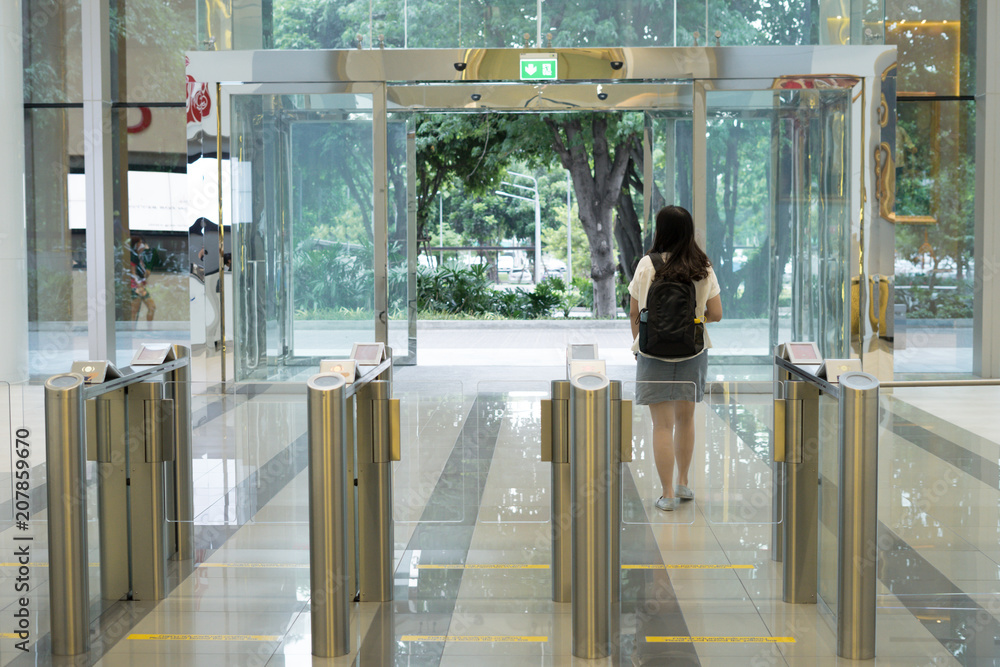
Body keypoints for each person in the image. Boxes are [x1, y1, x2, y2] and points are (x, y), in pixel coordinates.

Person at [628, 206, 723, 512]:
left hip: (652, 353)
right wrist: (693, 319)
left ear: (660, 230)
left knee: (661, 426)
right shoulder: (702, 266)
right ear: (688, 231)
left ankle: (667, 493)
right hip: (692, 351)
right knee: (685, 419)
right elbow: (716, 314)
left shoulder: (647, 264)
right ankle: (683, 482)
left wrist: (640, 344)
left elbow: (634, 312)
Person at [129, 234, 157, 322]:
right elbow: (133, 273)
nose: (142, 245)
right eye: (140, 243)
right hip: (136, 287)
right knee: (134, 311)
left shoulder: (141, 257)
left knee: (152, 307)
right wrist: (139, 285)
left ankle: (149, 328)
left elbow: (143, 273)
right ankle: (131, 329)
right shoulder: (133, 257)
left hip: (141, 287)